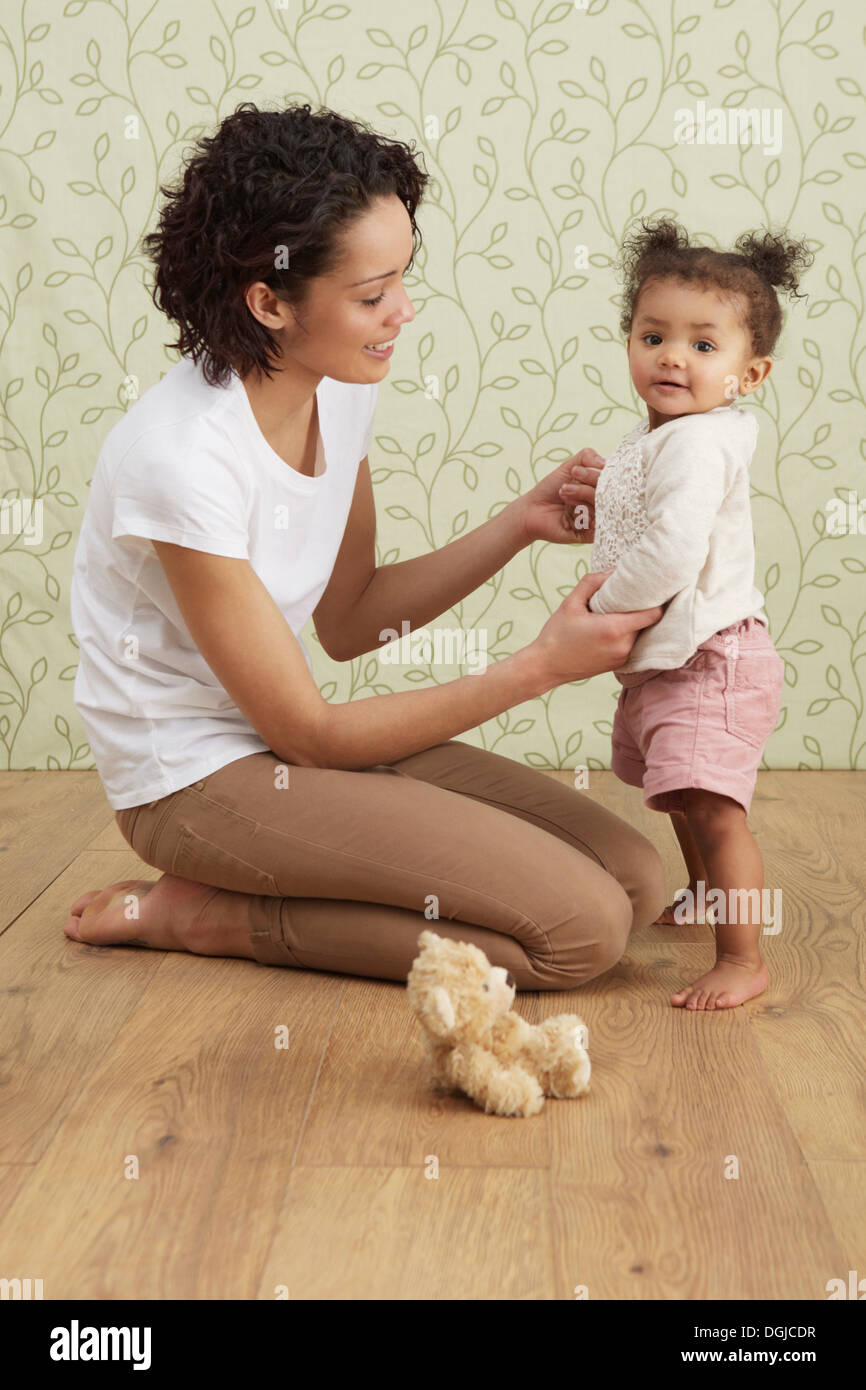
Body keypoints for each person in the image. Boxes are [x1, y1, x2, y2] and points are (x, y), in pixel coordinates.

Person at [65, 102, 666, 991]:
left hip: (286, 746)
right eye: (372, 294)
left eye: (403, 278)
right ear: (269, 300)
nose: (404, 311)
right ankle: (207, 913)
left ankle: (280, 892)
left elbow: (350, 619)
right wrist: (539, 667)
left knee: (636, 879)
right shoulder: (181, 461)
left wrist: (516, 524)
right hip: (193, 782)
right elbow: (307, 734)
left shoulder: (336, 387)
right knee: (581, 934)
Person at [566, 217, 813, 1009]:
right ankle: (705, 892)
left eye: (705, 346)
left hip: (712, 659)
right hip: (675, 658)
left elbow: (672, 552)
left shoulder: (700, 443)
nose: (673, 356)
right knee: (677, 791)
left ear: (751, 372)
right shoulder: (663, 436)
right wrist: (600, 493)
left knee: (713, 807)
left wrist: (601, 606)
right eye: (653, 335)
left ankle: (743, 958)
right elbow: (647, 512)